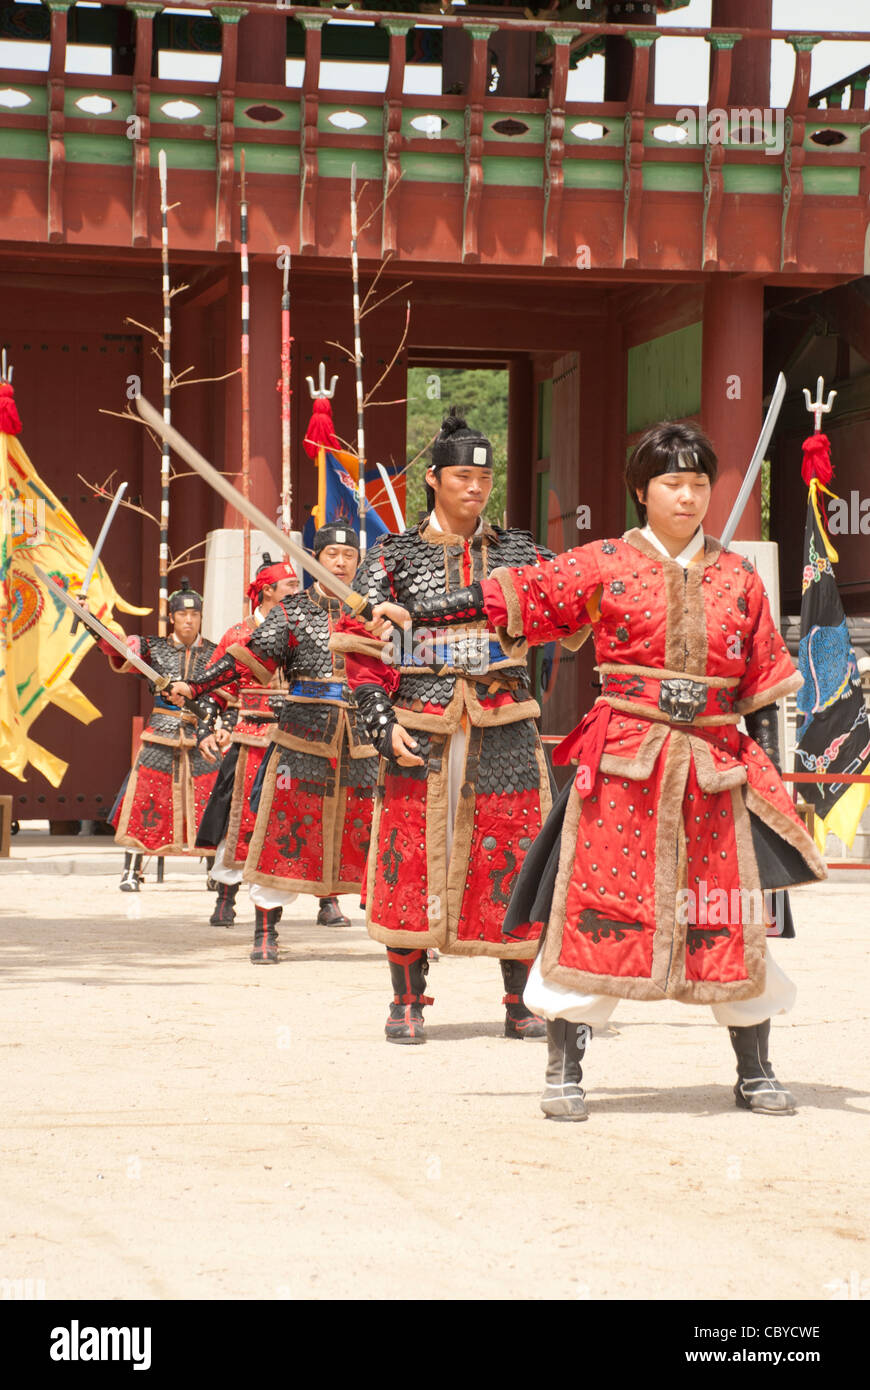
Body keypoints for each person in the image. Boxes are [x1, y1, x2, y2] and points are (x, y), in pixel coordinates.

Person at [372, 420, 827, 1113]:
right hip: (622, 767)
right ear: (643, 491)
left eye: (699, 483)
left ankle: (755, 1068)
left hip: (714, 766)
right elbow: (509, 597)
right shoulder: (603, 563)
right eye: (673, 483)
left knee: (729, 915)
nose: (688, 496)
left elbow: (762, 692)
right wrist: (417, 610)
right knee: (599, 908)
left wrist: (766, 779)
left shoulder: (739, 577)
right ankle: (565, 1071)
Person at [333, 411, 565, 1044]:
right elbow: (360, 652)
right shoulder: (393, 556)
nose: (476, 488)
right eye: (463, 476)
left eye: (485, 478)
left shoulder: (520, 552)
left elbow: (563, 612)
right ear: (433, 478)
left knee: (515, 853)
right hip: (422, 720)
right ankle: (406, 1001)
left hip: (505, 724)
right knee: (409, 858)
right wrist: (379, 721)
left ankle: (521, 1000)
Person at [169, 526, 378, 963]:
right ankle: (266, 930)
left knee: (378, 833)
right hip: (302, 734)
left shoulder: (375, 611)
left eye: (348, 555)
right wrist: (194, 685)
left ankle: (401, 933)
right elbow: (246, 658)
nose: (340, 562)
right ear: (316, 560)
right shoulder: (292, 612)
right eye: (332, 554)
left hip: (363, 739)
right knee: (282, 832)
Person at [97, 578, 224, 890]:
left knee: (209, 800)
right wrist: (95, 621)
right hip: (161, 734)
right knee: (144, 799)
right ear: (173, 617)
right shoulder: (152, 648)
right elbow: (116, 648)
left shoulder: (214, 652)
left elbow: (226, 694)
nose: (189, 620)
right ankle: (131, 869)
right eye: (183, 615)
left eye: (194, 615)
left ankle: (214, 871)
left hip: (200, 734)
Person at [195, 553, 300, 926]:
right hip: (250, 737)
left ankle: (325, 901)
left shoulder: (302, 630)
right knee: (238, 817)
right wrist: (207, 727)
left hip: (295, 738)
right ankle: (226, 894)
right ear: (268, 591)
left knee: (292, 818)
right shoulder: (238, 635)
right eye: (289, 586)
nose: (296, 592)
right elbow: (213, 686)